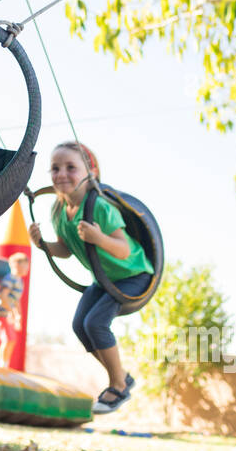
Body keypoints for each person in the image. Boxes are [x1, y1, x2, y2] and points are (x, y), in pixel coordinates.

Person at [28, 142, 153, 414]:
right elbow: (67, 249)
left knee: (96, 323)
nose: (61, 174)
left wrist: (99, 238)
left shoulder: (101, 208)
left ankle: (118, 386)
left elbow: (123, 249)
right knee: (80, 326)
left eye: (71, 167)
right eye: (55, 168)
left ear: (90, 171)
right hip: (104, 279)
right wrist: (44, 245)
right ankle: (121, 375)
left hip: (133, 274)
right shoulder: (59, 211)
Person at [0, 252, 28, 368]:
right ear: (17, 265)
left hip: (7, 313)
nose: (27, 269)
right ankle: (2, 364)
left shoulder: (20, 281)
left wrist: (18, 317)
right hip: (0, 312)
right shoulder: (10, 279)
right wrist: (11, 313)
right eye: (26, 266)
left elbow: (16, 301)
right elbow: (3, 296)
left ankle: (6, 363)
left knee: (12, 339)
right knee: (8, 339)